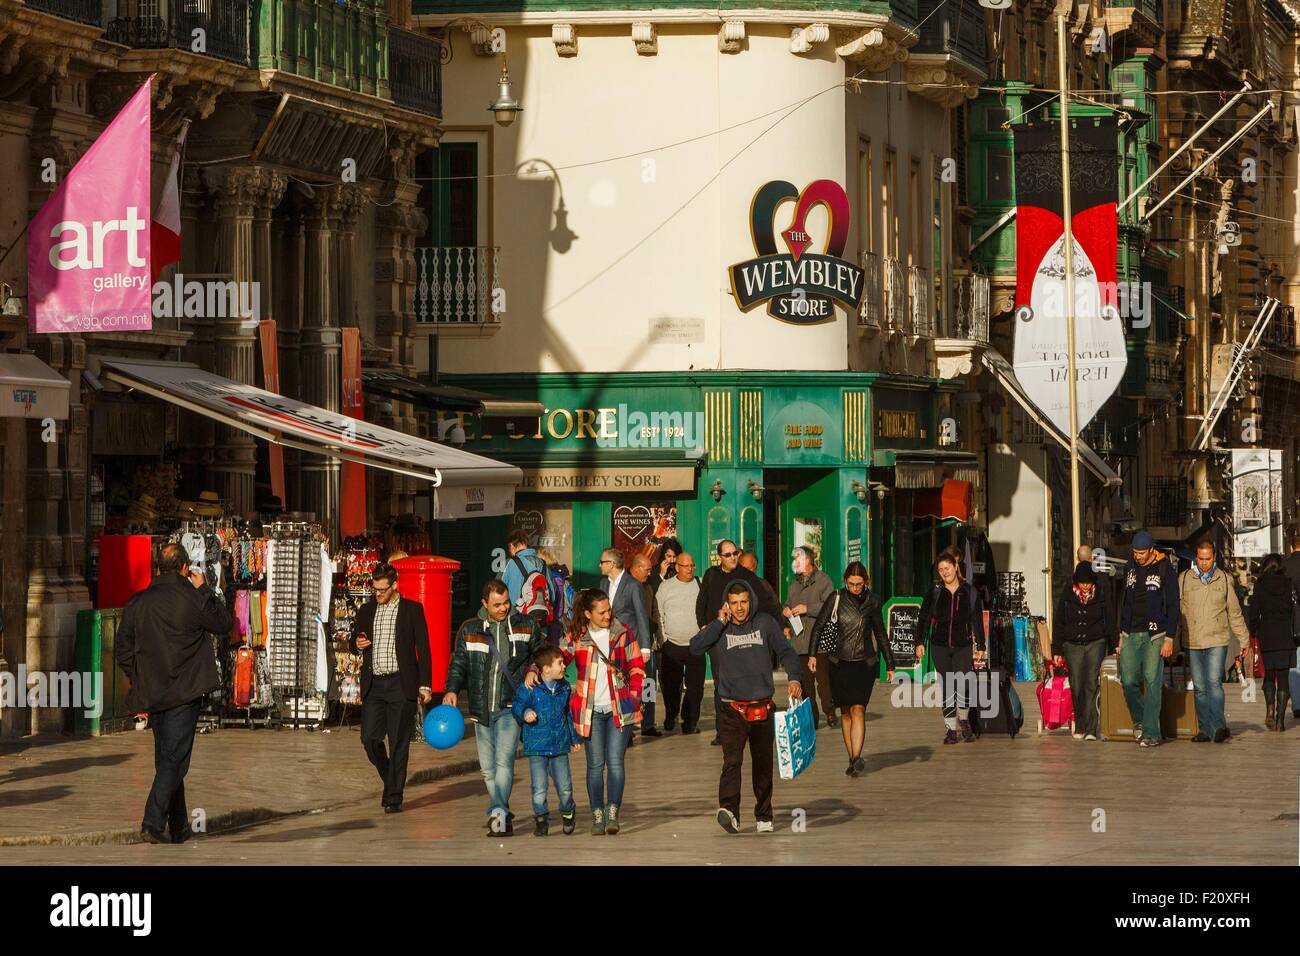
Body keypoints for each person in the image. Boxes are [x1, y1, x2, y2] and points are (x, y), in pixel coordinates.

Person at [116, 543, 233, 844]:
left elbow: (122, 650)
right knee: (174, 760)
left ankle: (180, 826)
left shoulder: (137, 602)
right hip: (184, 691)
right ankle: (152, 822)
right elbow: (223, 624)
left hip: (154, 691)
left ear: (158, 568)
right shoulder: (193, 599)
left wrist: (137, 676)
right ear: (184, 568)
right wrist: (206, 589)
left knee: (168, 757)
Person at [690, 580, 803, 834]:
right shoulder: (720, 627)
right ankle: (730, 812)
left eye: (743, 602)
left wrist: (795, 677)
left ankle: (764, 814)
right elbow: (695, 647)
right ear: (726, 604)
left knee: (763, 764)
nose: (739, 608)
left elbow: (786, 652)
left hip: (762, 708)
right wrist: (718, 622)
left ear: (750, 601)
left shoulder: (765, 623)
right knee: (732, 762)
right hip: (731, 709)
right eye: (734, 603)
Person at [444, 579, 546, 836]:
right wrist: (451, 690)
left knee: (504, 761)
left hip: (511, 705)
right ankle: (502, 812)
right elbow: (458, 664)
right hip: (481, 709)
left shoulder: (525, 624)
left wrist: (533, 669)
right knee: (487, 768)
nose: (503, 608)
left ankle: (498, 812)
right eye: (497, 604)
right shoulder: (470, 629)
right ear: (484, 604)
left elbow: (542, 653)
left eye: (506, 603)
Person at [551, 589, 646, 835]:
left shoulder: (622, 633)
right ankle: (597, 813)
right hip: (590, 711)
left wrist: (635, 694)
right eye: (601, 612)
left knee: (616, 763)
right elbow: (556, 659)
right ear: (587, 613)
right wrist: (535, 669)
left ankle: (613, 811)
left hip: (619, 709)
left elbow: (637, 665)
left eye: (609, 610)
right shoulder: (577, 637)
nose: (607, 615)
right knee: (595, 766)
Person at [352, 563, 434, 813]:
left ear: (395, 585)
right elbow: (356, 642)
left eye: (383, 590)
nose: (378, 594)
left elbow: (424, 649)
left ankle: (394, 795)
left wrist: (425, 684)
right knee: (369, 739)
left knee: (399, 741)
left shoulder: (412, 610)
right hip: (374, 683)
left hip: (401, 683)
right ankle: (391, 779)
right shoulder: (366, 610)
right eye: (375, 589)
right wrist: (358, 643)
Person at [809, 562, 893, 775]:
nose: (855, 588)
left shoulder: (872, 601)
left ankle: (857, 756)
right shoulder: (836, 598)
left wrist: (890, 664)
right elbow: (819, 626)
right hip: (839, 663)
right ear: (845, 581)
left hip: (864, 664)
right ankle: (852, 758)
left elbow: (880, 633)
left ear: (866, 582)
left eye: (859, 584)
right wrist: (812, 655)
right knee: (845, 711)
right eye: (851, 584)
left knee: (859, 709)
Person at [695, 540, 783, 745]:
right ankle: (722, 730)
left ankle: (749, 722)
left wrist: (779, 624)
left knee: (741, 680)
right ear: (720, 557)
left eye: (735, 553)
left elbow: (765, 601)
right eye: (728, 555)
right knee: (720, 683)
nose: (733, 557)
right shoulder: (711, 575)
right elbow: (702, 601)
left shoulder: (745, 575)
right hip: (718, 636)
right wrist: (703, 626)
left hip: (742, 636)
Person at [1179, 539, 1250, 743]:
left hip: (1217, 638)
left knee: (1213, 681)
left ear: (1214, 557)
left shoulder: (1224, 579)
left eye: (1207, 559)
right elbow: (1178, 612)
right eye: (1200, 559)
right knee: (1200, 686)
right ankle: (1205, 728)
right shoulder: (1184, 579)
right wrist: (1173, 642)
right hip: (1192, 640)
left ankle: (1218, 726)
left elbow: (1234, 612)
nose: (1204, 563)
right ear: (1195, 557)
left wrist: (1244, 640)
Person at [915, 551, 987, 744]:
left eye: (947, 568)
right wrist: (920, 642)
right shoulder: (935, 592)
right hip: (939, 645)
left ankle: (963, 720)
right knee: (947, 687)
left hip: (962, 645)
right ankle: (951, 730)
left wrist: (981, 644)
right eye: (941, 569)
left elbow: (977, 620)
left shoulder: (970, 592)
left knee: (962, 684)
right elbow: (924, 618)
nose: (944, 572)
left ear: (956, 567)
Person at [1117, 530, 1180, 748]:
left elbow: (1174, 604)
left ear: (1151, 550)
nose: (1138, 556)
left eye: (1141, 553)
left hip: (1156, 634)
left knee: (1153, 681)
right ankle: (1141, 721)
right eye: (1135, 552)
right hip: (1130, 633)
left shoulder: (1165, 569)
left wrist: (1170, 637)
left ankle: (1152, 733)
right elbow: (1123, 600)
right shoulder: (1129, 567)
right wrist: (1121, 634)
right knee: (1127, 680)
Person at [511, 645, 581, 835]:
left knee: (565, 786)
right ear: (546, 669)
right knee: (539, 788)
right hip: (536, 746)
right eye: (560, 663)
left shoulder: (564, 687)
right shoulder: (531, 687)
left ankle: (568, 812)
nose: (564, 666)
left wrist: (574, 737)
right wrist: (525, 712)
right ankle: (541, 819)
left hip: (559, 745)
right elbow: (517, 705)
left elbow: (567, 714)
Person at [1052, 562, 1112, 741]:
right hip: (1072, 644)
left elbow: (1109, 617)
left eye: (1088, 582)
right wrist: (1056, 649)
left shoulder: (1101, 593)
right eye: (1082, 582)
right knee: (1076, 683)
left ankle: (1092, 728)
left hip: (1096, 642)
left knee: (1091, 683)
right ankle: (1080, 721)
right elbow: (1059, 622)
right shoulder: (1067, 594)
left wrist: (1114, 642)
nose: (1085, 586)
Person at [600, 548, 654, 742]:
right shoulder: (603, 583)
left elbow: (641, 615)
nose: (600, 565)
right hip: (609, 644)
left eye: (602, 562)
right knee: (615, 684)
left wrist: (645, 647)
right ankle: (621, 726)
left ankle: (629, 729)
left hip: (630, 644)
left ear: (612, 564)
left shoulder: (633, 585)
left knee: (631, 687)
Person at [784, 545, 837, 730]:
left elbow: (831, 605)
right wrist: (786, 611)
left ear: (808, 560)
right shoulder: (794, 585)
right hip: (799, 643)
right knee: (806, 686)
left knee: (824, 683)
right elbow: (787, 604)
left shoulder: (823, 580)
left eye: (797, 558)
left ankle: (830, 712)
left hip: (820, 642)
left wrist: (808, 608)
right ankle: (812, 719)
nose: (794, 562)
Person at [1248, 554, 1298, 731]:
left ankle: (1269, 707)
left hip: (1267, 635)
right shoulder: (1288, 583)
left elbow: (1254, 611)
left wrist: (1252, 630)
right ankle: (1280, 721)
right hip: (1285, 635)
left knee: (1269, 675)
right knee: (1283, 679)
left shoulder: (1260, 585)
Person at [657, 551, 704, 733]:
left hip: (696, 645)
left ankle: (689, 722)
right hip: (672, 646)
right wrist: (664, 640)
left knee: (695, 688)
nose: (690, 569)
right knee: (670, 686)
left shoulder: (700, 584)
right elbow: (659, 613)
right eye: (686, 566)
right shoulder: (666, 587)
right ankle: (671, 715)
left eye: (692, 565)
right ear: (677, 567)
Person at [629, 554, 663, 737]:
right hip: (629, 646)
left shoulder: (648, 588)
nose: (650, 573)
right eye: (647, 570)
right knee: (631, 685)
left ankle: (648, 723)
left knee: (649, 683)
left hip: (647, 644)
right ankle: (630, 723)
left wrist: (658, 638)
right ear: (636, 568)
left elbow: (654, 613)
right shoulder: (624, 587)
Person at [502, 529, 548, 625]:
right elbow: (553, 594)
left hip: (516, 621)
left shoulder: (509, 563)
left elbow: (497, 590)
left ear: (511, 545)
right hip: (540, 619)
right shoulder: (543, 564)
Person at [1284, 531, 1300, 719]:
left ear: (1290, 548)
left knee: (1294, 666)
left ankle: (1297, 704)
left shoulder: (1284, 567)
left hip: (1290, 623)